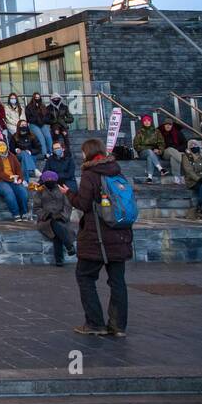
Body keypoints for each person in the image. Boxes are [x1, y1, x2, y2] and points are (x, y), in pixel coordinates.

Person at [65, 138, 132, 337]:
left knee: (85, 276)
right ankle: (118, 326)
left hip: (98, 237)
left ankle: (95, 323)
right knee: (117, 280)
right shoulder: (116, 171)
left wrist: (68, 193)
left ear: (89, 153)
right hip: (120, 234)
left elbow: (83, 204)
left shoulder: (90, 174)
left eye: (83, 152)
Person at [35, 170, 76, 267]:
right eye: (47, 179)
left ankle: (59, 260)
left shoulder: (61, 189)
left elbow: (68, 205)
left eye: (52, 179)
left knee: (57, 231)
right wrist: (46, 214)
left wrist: (62, 216)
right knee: (54, 223)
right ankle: (69, 246)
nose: (50, 180)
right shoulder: (40, 191)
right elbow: (36, 208)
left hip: (61, 218)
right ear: (44, 180)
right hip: (45, 220)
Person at [0, 139, 28, 221]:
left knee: (22, 191)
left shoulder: (12, 156)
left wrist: (20, 179)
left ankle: (24, 213)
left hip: (13, 179)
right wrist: (9, 177)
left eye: (3, 145)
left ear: (6, 146)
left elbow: (19, 169)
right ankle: (16, 214)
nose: (1, 147)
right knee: (8, 191)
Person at [181, 138, 202, 219]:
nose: (194, 146)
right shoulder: (186, 156)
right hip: (192, 181)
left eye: (195, 145)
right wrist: (198, 179)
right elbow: (188, 171)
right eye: (192, 145)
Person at [132, 114, 168, 182]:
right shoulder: (140, 132)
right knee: (149, 151)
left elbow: (161, 143)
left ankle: (149, 177)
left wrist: (159, 150)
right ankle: (160, 168)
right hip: (143, 153)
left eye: (148, 120)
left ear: (151, 121)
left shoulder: (156, 131)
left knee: (150, 157)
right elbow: (136, 145)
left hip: (155, 153)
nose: (147, 122)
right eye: (145, 120)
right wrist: (147, 148)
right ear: (143, 122)